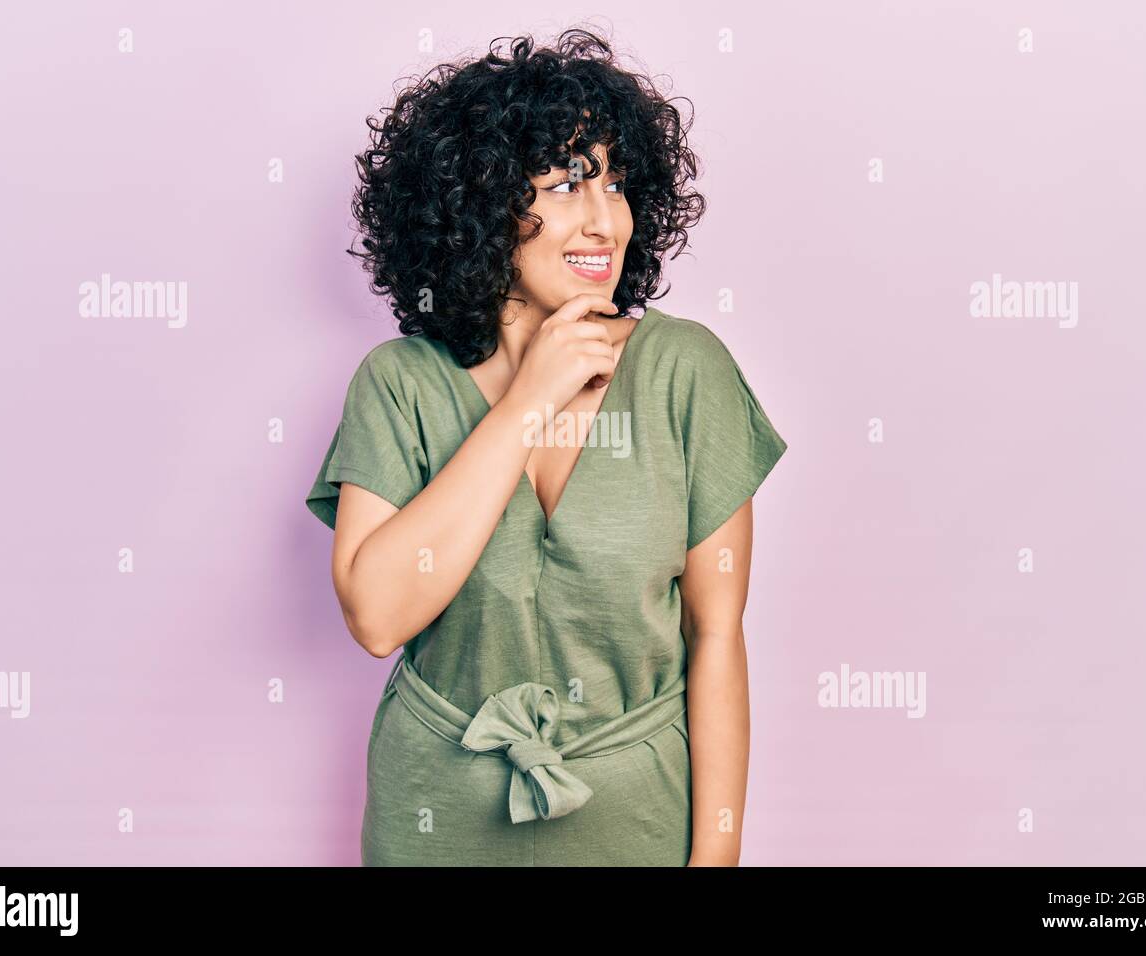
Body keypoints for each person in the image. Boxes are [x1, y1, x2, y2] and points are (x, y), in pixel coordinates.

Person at [304, 27, 787, 866]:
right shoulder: (399, 384)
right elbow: (378, 617)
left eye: (618, 185)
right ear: (482, 203)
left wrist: (718, 858)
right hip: (436, 818)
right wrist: (529, 400)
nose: (606, 221)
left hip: (637, 819)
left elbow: (717, 640)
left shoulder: (686, 373)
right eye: (567, 185)